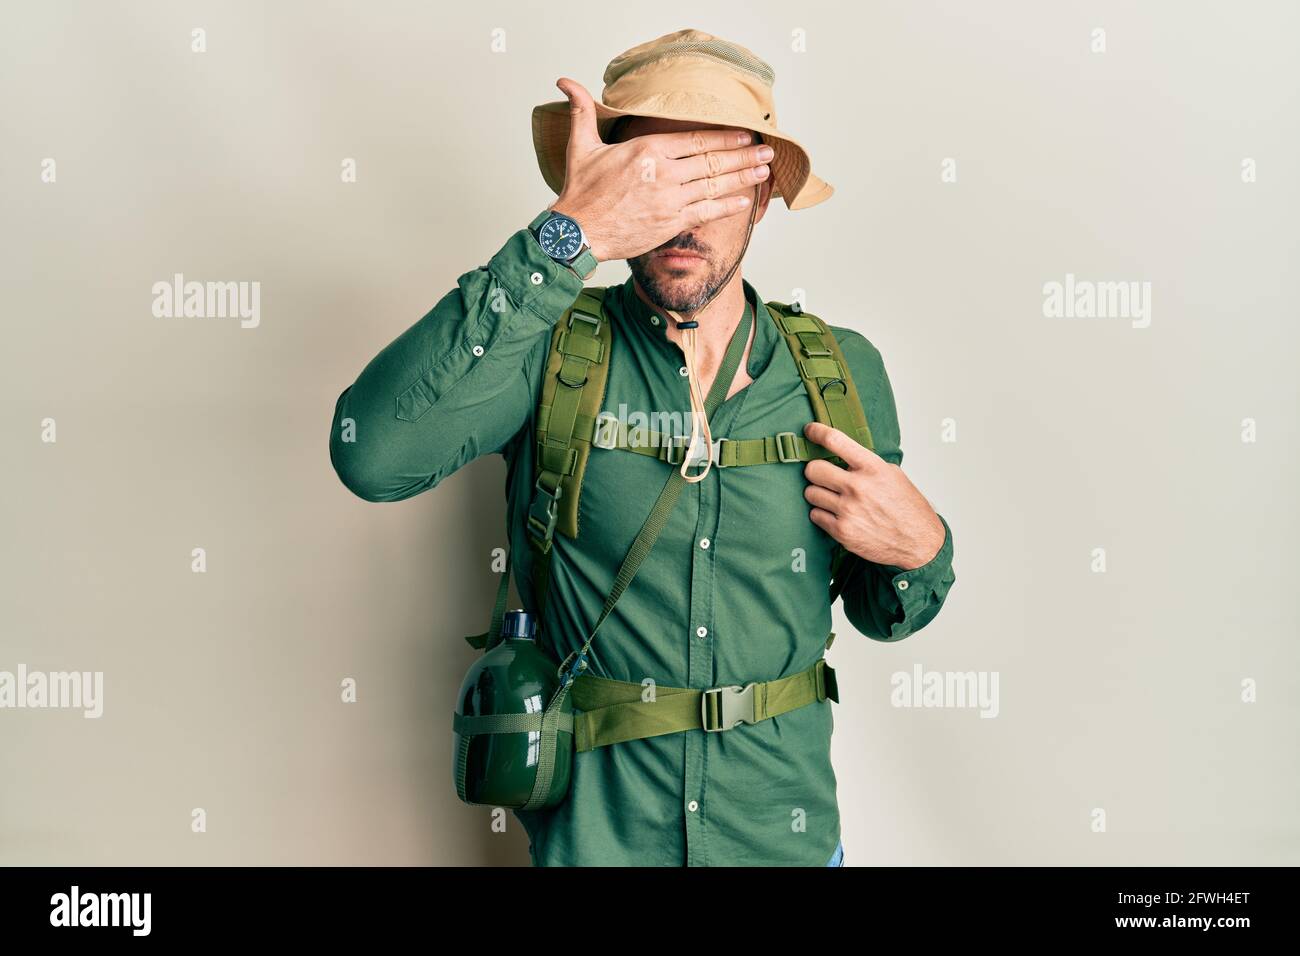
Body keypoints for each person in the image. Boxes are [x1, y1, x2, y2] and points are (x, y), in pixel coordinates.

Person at [330, 29, 955, 867]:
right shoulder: (545, 347)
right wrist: (565, 235)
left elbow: (888, 611)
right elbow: (373, 455)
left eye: (716, 184)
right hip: (597, 846)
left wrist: (925, 549)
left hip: (787, 843)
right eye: (654, 184)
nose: (683, 219)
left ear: (762, 197)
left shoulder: (842, 370)